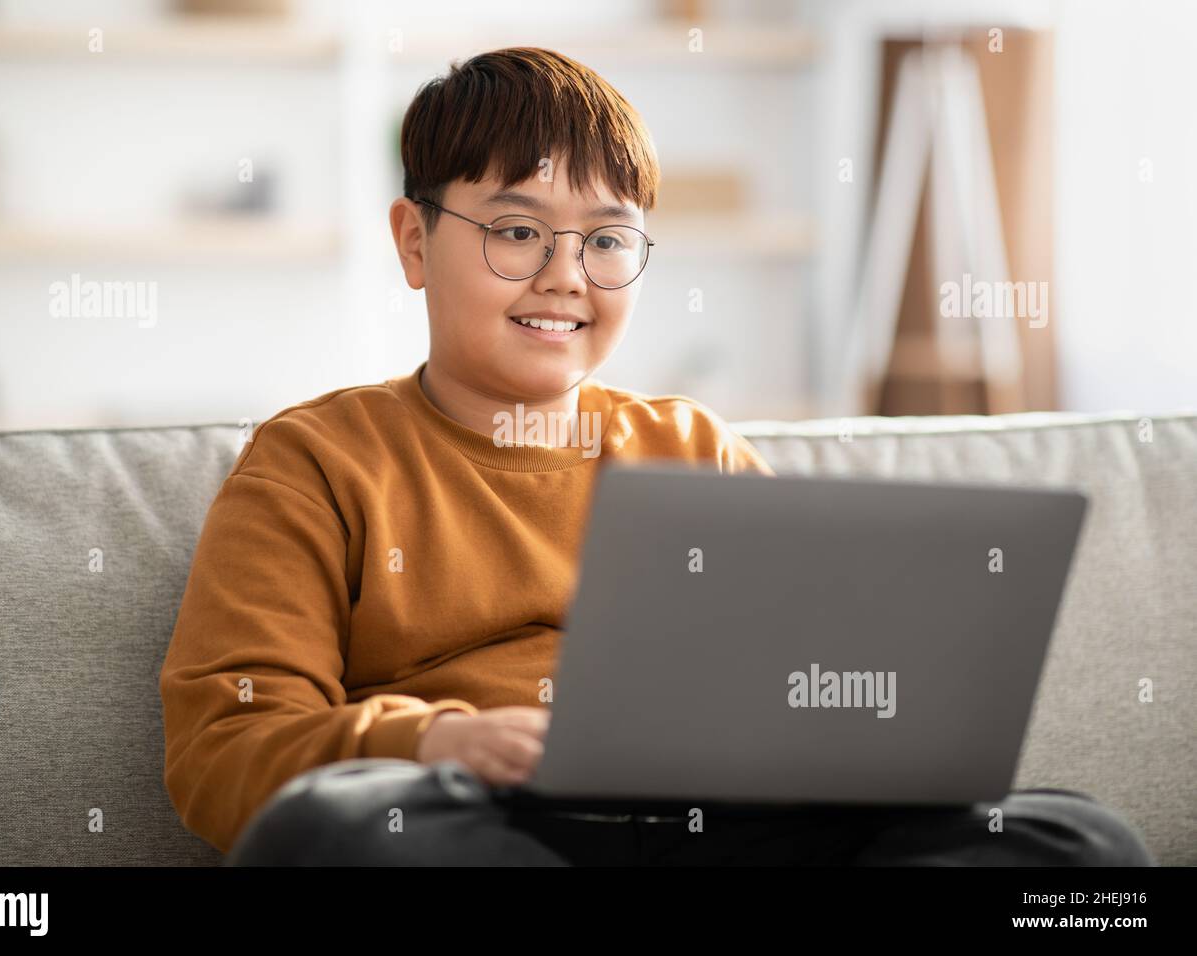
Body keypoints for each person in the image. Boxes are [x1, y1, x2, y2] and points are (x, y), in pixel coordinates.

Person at [159, 46, 1154, 867]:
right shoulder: (313, 459)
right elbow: (224, 748)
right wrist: (429, 737)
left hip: (730, 824)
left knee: (1079, 843)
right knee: (324, 834)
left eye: (606, 240)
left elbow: (815, 682)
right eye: (515, 230)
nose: (564, 276)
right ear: (414, 242)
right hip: (493, 826)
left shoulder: (689, 447)